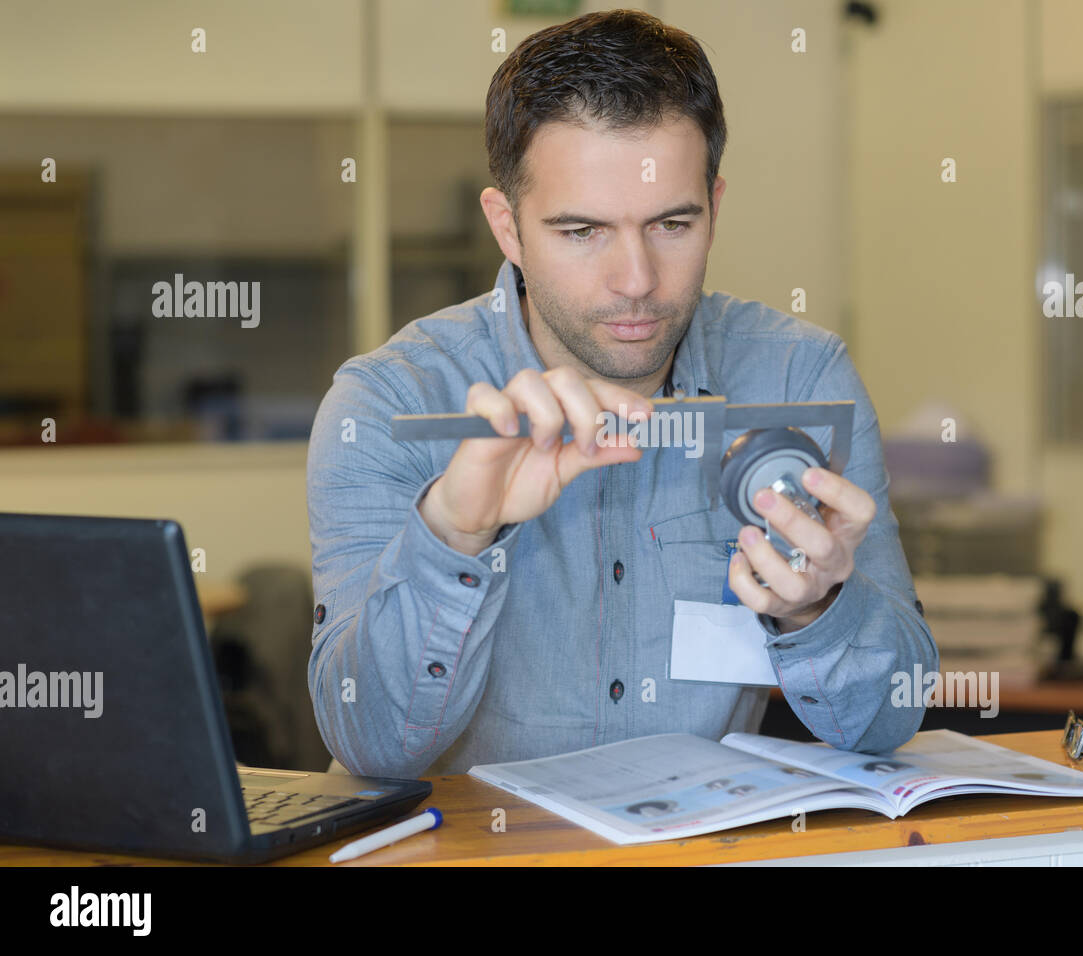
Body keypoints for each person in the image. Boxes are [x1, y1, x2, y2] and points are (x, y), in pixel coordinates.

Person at [307, 8, 938, 779]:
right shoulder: (387, 405)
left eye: (673, 224)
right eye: (582, 232)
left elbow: (889, 717)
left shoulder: (797, 380)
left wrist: (818, 609)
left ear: (715, 204)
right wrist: (454, 532)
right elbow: (369, 743)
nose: (637, 280)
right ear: (507, 228)